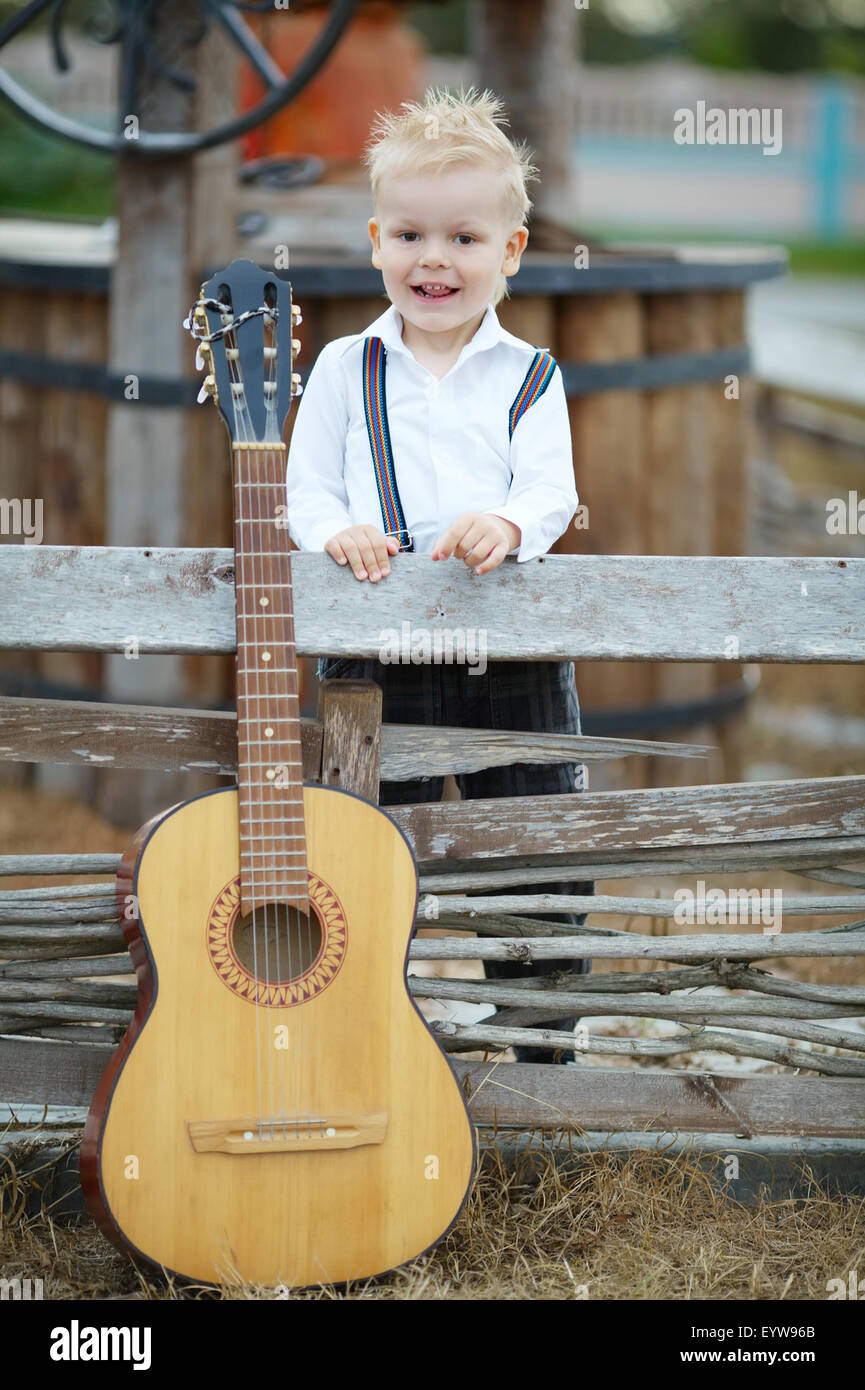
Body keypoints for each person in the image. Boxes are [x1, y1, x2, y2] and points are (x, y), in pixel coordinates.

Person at [285, 87, 595, 1063]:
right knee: (367, 860)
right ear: (377, 241)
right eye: (410, 234)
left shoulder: (531, 376)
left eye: (463, 238)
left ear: (508, 251)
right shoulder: (344, 366)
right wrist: (341, 534)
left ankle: (543, 1050)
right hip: (374, 654)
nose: (433, 259)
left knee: (531, 854)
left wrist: (506, 522)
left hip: (507, 653)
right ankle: (368, 1040)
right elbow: (304, 491)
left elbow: (551, 492)